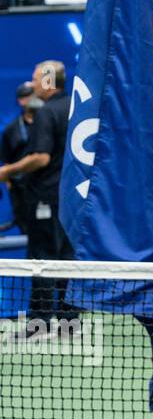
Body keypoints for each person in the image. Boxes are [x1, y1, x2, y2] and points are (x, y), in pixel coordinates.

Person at [0, 62, 75, 321]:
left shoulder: (46, 112)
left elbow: (41, 158)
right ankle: (69, 320)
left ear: (48, 81)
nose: (32, 85)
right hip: (71, 199)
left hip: (45, 198)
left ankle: (39, 321)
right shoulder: (75, 108)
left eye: (35, 79)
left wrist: (7, 171)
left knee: (41, 258)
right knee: (66, 257)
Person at [1, 83, 37, 237]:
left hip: (46, 187)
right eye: (27, 96)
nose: (31, 100)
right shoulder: (11, 129)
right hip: (21, 190)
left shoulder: (49, 122)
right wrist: (10, 185)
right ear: (20, 101)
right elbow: (6, 162)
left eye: (33, 95)